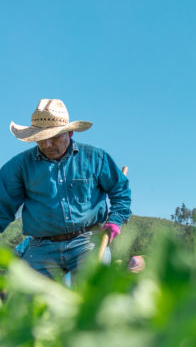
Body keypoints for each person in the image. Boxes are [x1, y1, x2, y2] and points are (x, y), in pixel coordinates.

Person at [0, 99, 131, 282]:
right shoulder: (20, 166)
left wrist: (116, 219)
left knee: (90, 296)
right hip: (41, 246)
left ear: (69, 133)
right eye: (40, 139)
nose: (46, 145)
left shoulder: (95, 158)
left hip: (86, 241)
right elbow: (2, 206)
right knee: (26, 301)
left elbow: (120, 190)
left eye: (52, 137)